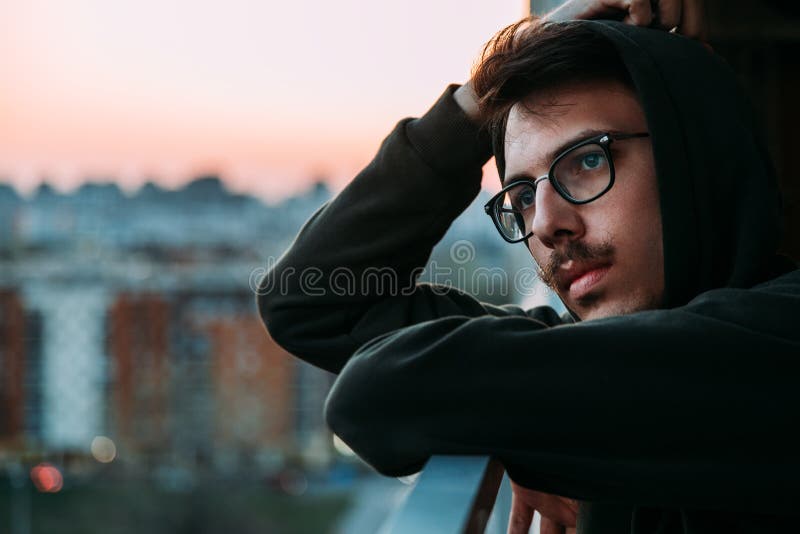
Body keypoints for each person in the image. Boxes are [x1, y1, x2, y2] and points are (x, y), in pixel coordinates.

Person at [257, 1, 800, 532]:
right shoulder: (585, 353)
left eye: (588, 160)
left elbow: (378, 391)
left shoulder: (779, 338)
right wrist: (482, 94)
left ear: (698, 158)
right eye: (521, 195)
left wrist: (528, 429)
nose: (544, 223)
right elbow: (310, 302)